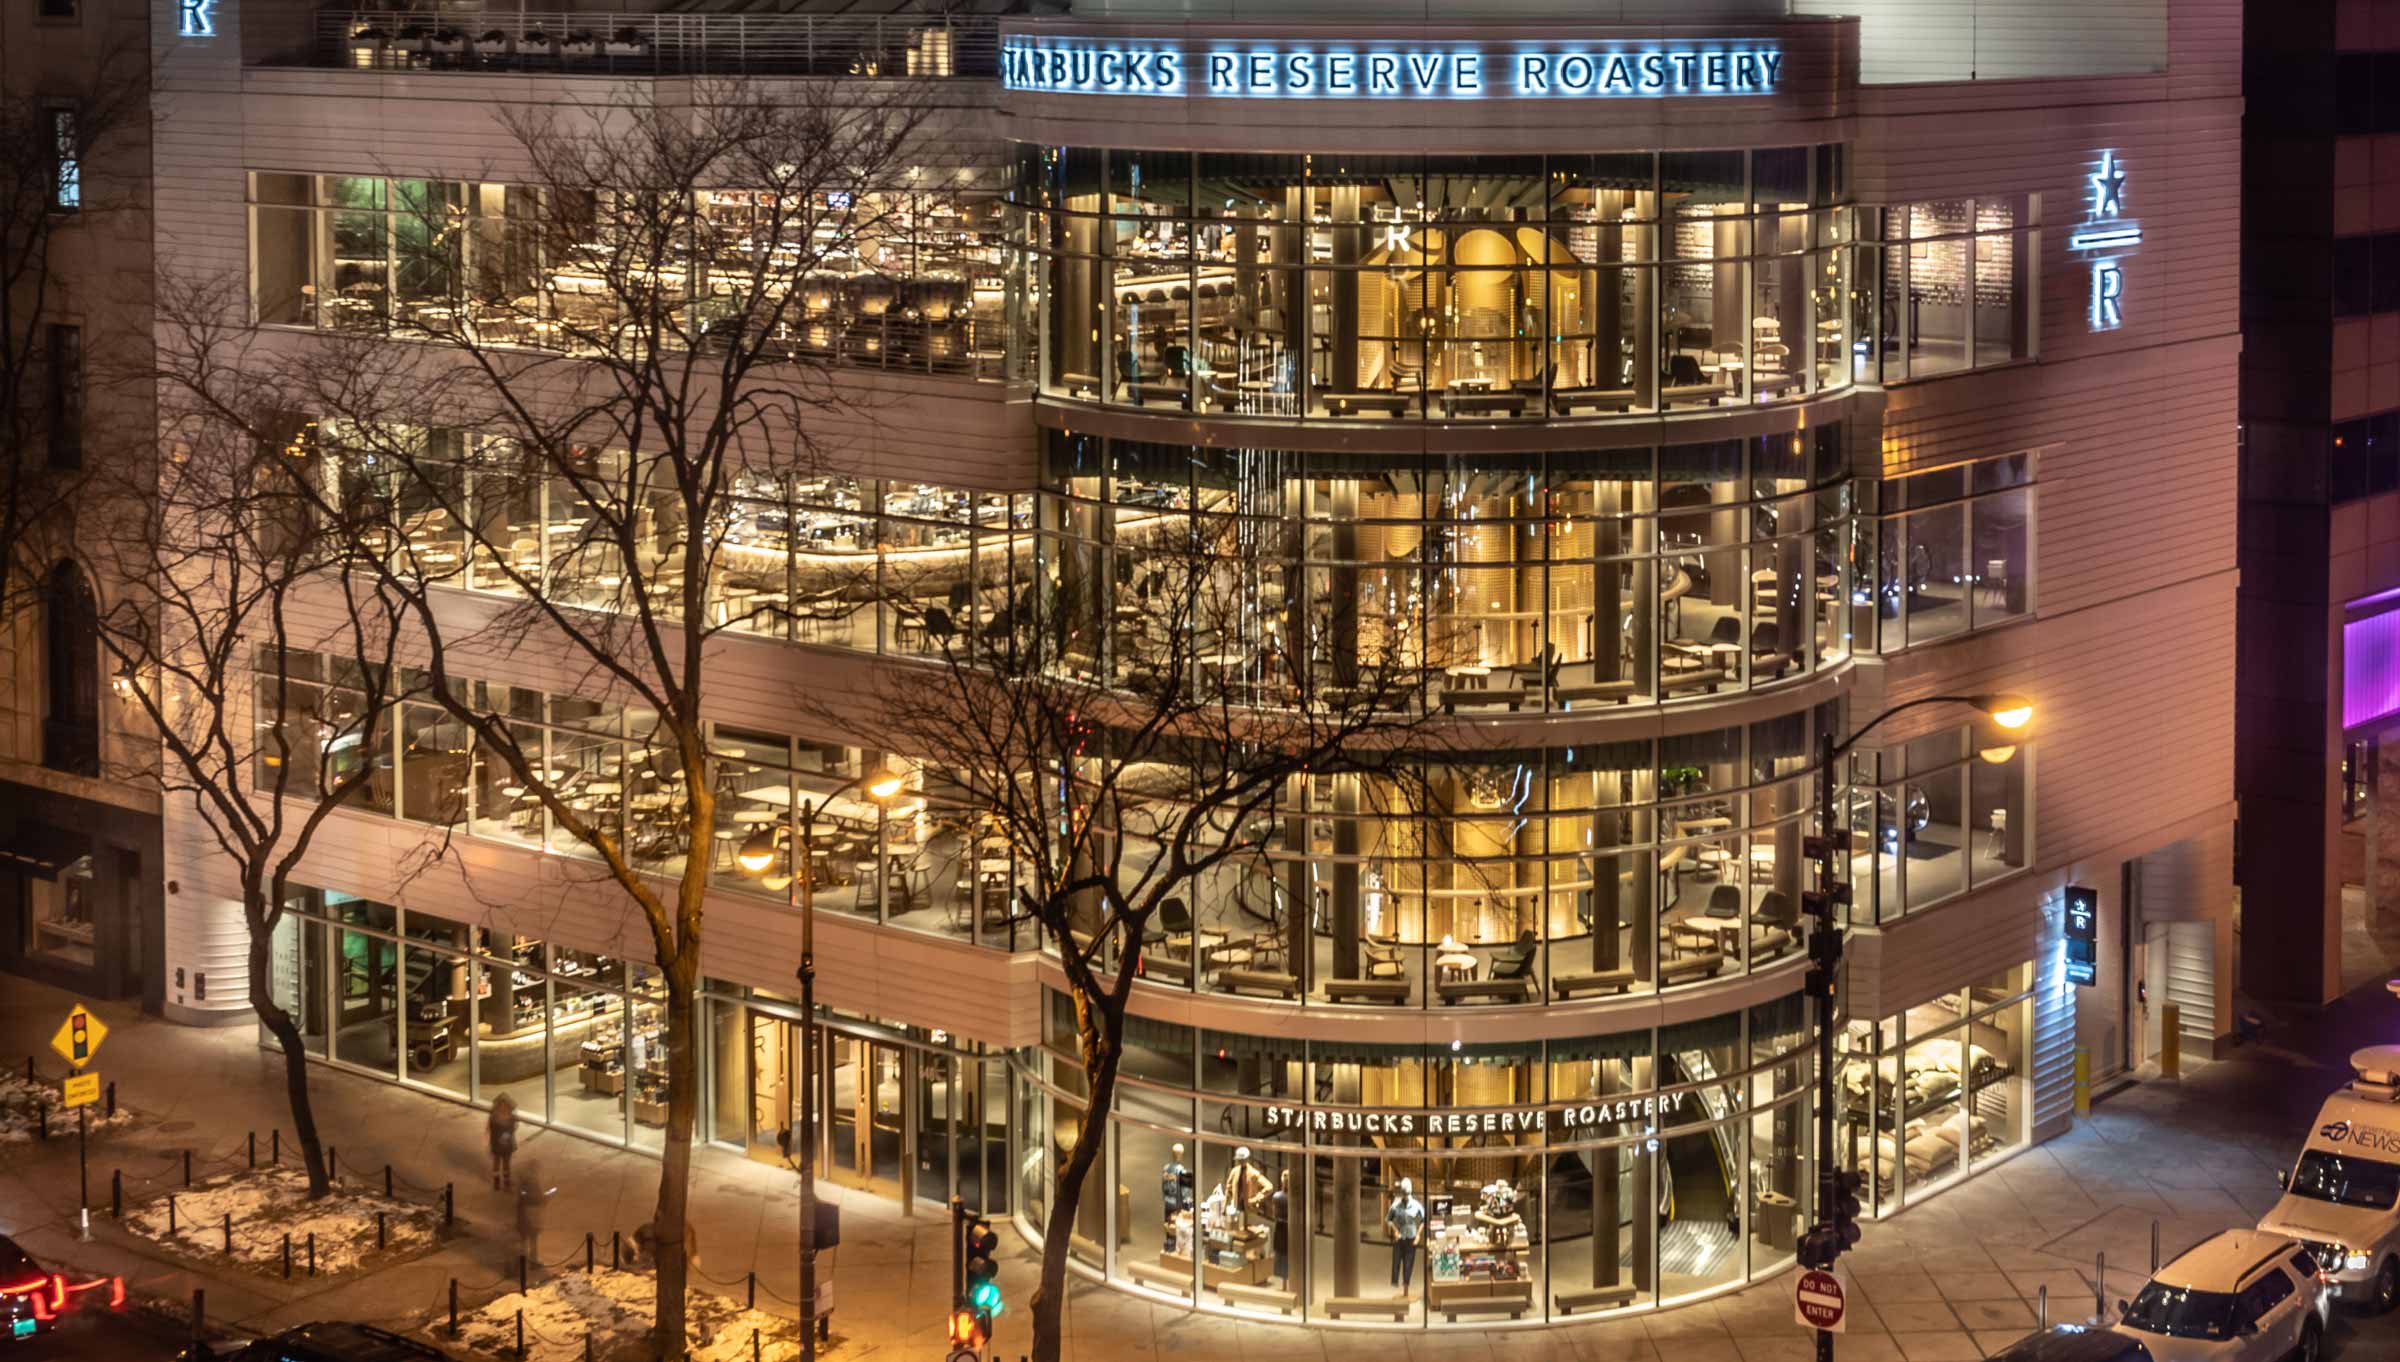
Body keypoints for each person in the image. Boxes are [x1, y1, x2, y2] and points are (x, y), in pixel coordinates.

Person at [1386, 1177, 1425, 1293]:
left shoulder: (1416, 1205)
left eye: (1407, 1194)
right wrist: (1394, 1230)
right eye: (1404, 1194)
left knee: (1408, 1263)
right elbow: (1388, 1219)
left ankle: (1406, 1285)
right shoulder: (1396, 1204)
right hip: (1399, 1237)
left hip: (1411, 1237)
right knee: (1396, 1261)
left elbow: (1424, 1220)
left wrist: (1418, 1235)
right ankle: (1395, 1281)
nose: (1405, 1196)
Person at [513, 1162, 553, 1271]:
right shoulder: (533, 1185)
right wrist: (546, 1197)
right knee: (532, 1240)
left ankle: (522, 1263)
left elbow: (521, 1201)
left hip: (523, 1218)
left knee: (524, 1241)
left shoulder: (523, 1187)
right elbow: (538, 1199)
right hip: (532, 1217)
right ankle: (532, 1262)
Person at [487, 1093, 518, 1189]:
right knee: (496, 1162)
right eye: (501, 1105)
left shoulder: (512, 1118)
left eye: (505, 1105)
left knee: (506, 1163)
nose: (503, 1108)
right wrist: (493, 1142)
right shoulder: (494, 1117)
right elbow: (491, 1130)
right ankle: (497, 1182)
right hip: (497, 1144)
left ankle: (506, 1181)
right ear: (497, 1106)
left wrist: (504, 1138)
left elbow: (512, 1129)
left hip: (507, 1145)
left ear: (509, 1106)